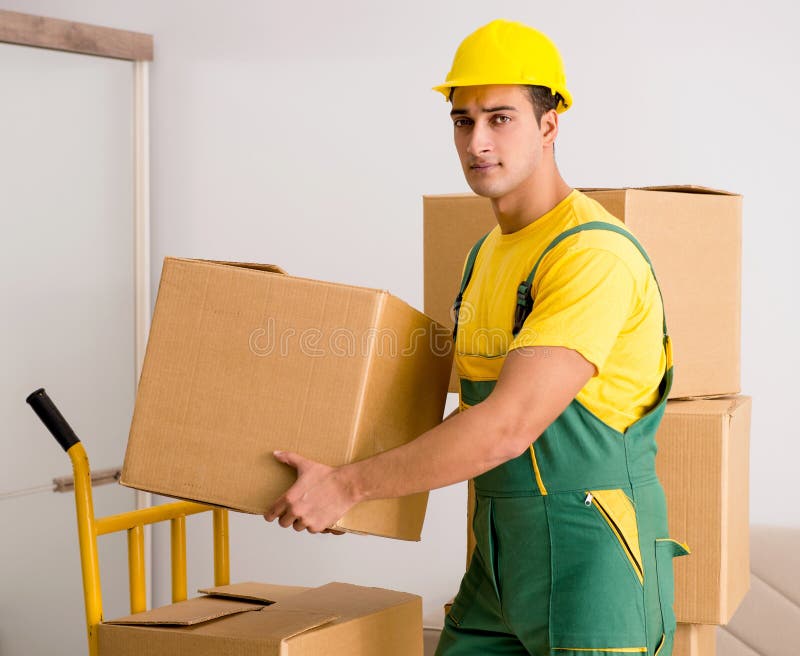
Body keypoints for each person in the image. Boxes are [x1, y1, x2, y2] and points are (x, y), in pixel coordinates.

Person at [264, 18, 688, 656]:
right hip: (499, 551)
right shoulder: (487, 253)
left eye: (500, 118)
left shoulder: (591, 255)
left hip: (592, 554)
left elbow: (506, 425)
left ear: (549, 125)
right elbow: (461, 408)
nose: (477, 141)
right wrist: (334, 470)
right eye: (463, 121)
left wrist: (349, 487)